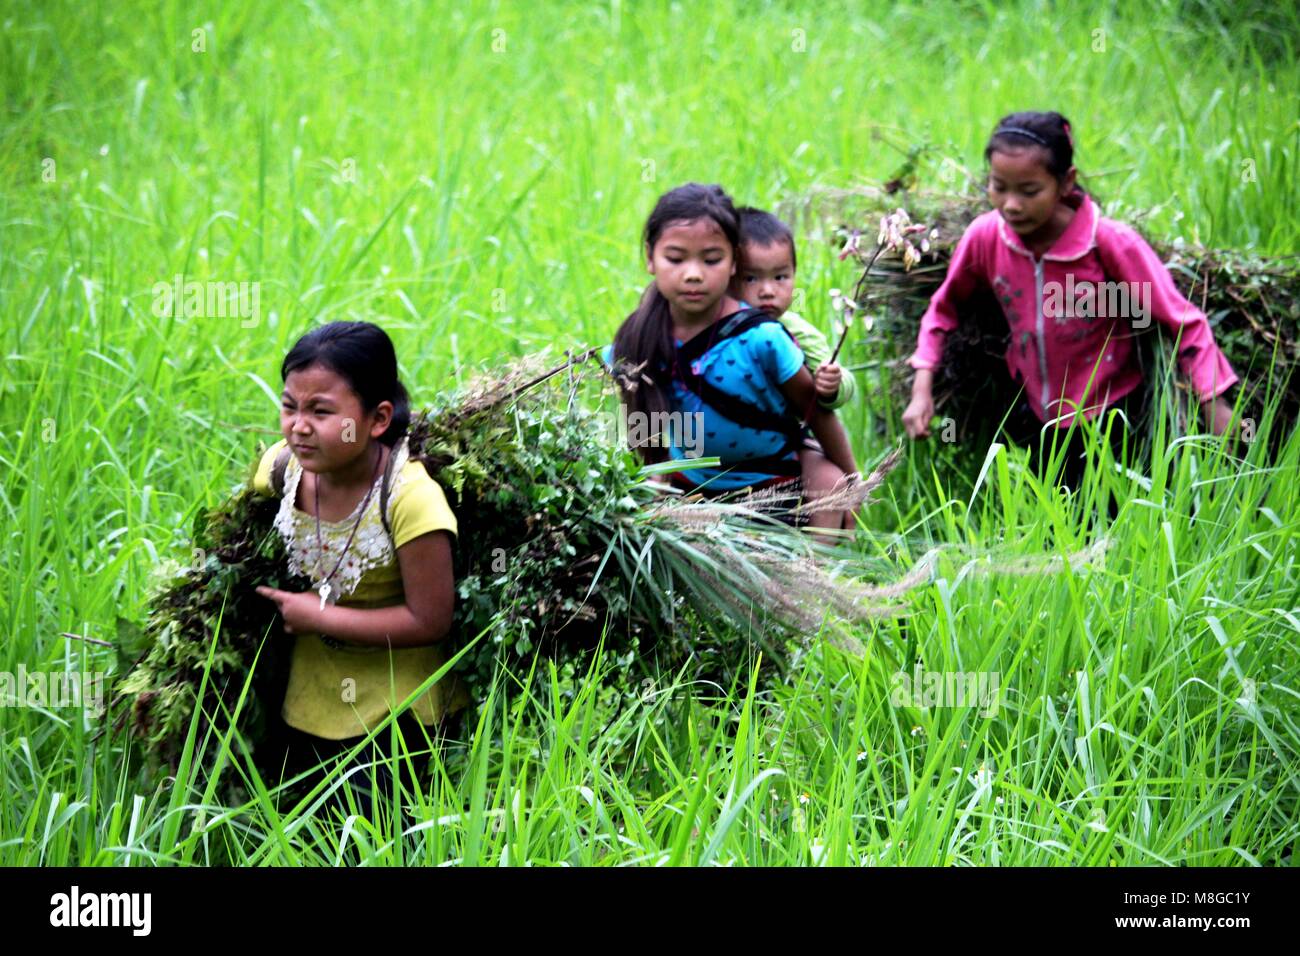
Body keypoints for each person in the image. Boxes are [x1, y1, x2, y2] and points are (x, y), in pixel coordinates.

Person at [901, 110, 1238, 487]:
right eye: (998, 187)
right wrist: (921, 388)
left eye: (1029, 192)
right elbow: (943, 309)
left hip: (1112, 417)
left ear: (1066, 183)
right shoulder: (986, 238)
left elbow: (1183, 320)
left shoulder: (1107, 243)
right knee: (1049, 525)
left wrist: (1214, 403)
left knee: (1107, 523)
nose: (1011, 205)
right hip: (1033, 416)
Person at [251, 320, 465, 810]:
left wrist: (318, 617)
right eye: (290, 406)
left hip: (397, 716)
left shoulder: (411, 499)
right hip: (306, 698)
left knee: (374, 840)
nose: (299, 426)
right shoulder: (281, 469)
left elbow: (430, 619)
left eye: (321, 411)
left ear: (377, 419)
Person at [607, 182, 851, 531]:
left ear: (734, 261)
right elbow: (641, 431)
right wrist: (648, 496)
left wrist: (855, 485)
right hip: (690, 495)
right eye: (675, 259)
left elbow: (817, 413)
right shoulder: (638, 340)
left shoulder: (762, 339)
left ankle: (820, 576)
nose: (693, 274)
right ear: (650, 257)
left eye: (711, 260)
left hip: (776, 492)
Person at [731, 207, 861, 525]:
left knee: (830, 481)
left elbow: (840, 380)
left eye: (780, 277)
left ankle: (825, 564)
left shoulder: (797, 332)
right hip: (729, 447)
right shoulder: (722, 331)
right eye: (751, 278)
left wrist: (833, 385)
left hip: (791, 440)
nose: (768, 290)